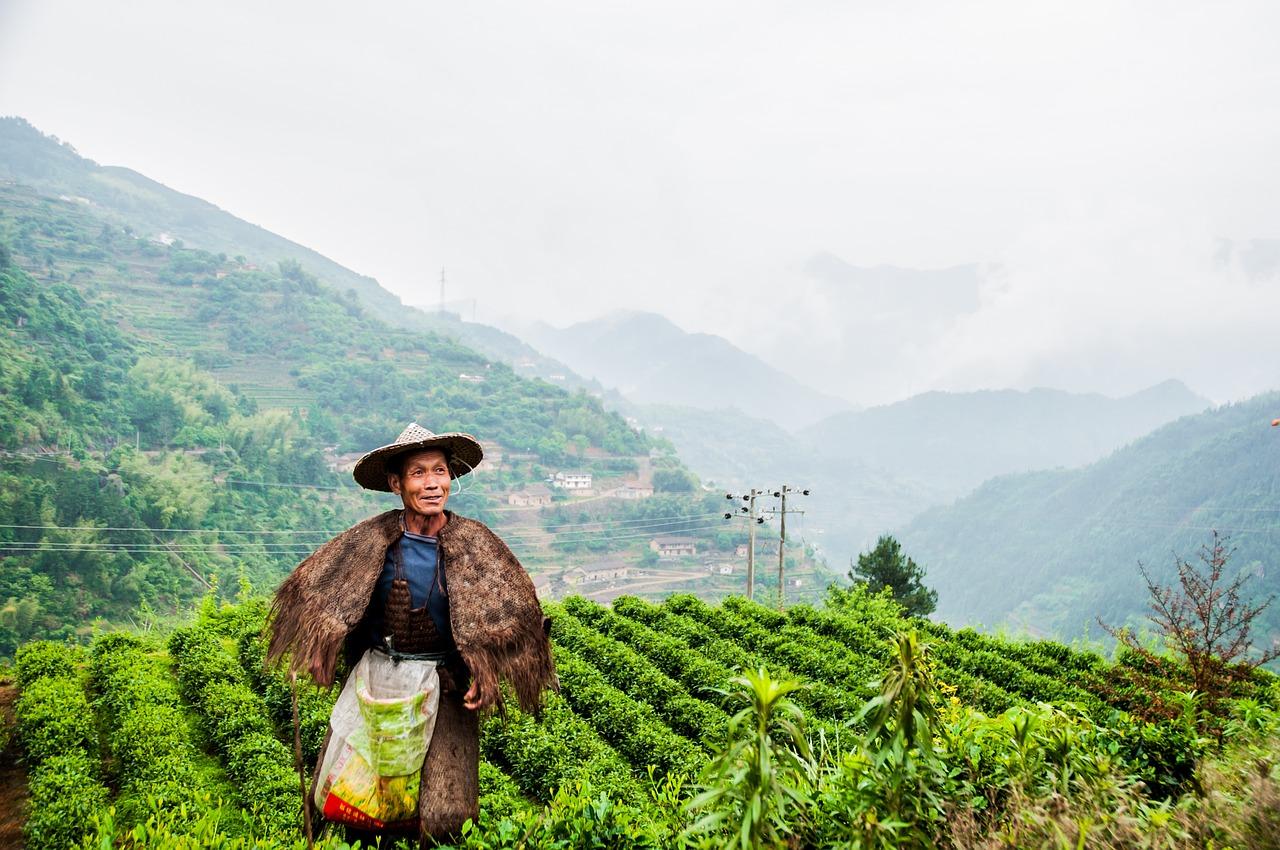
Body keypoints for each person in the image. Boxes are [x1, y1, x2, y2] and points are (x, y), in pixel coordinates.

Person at [267, 423, 555, 842]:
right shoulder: (369, 541)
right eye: (418, 473)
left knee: (446, 812)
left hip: (445, 684)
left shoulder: (478, 544)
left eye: (439, 471)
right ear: (396, 483)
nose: (432, 483)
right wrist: (320, 650)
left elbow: (515, 618)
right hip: (378, 679)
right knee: (358, 797)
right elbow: (323, 597)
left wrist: (485, 673)